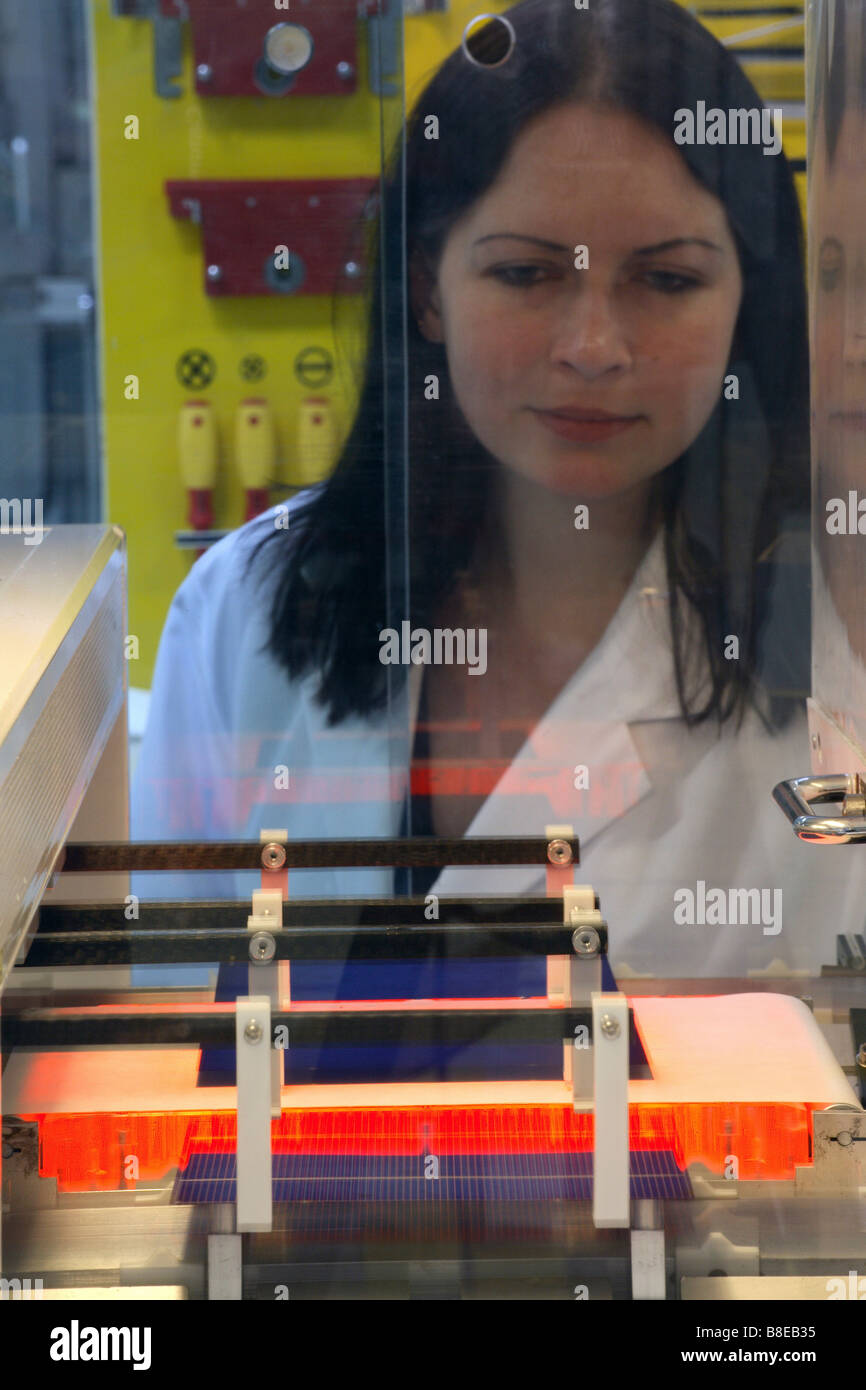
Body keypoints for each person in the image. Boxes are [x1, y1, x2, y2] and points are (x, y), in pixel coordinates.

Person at [133, 0, 866, 998]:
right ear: (428, 288)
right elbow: (165, 1034)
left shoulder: (824, 646)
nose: (592, 347)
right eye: (523, 272)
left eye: (665, 279)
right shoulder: (244, 610)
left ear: (746, 300)